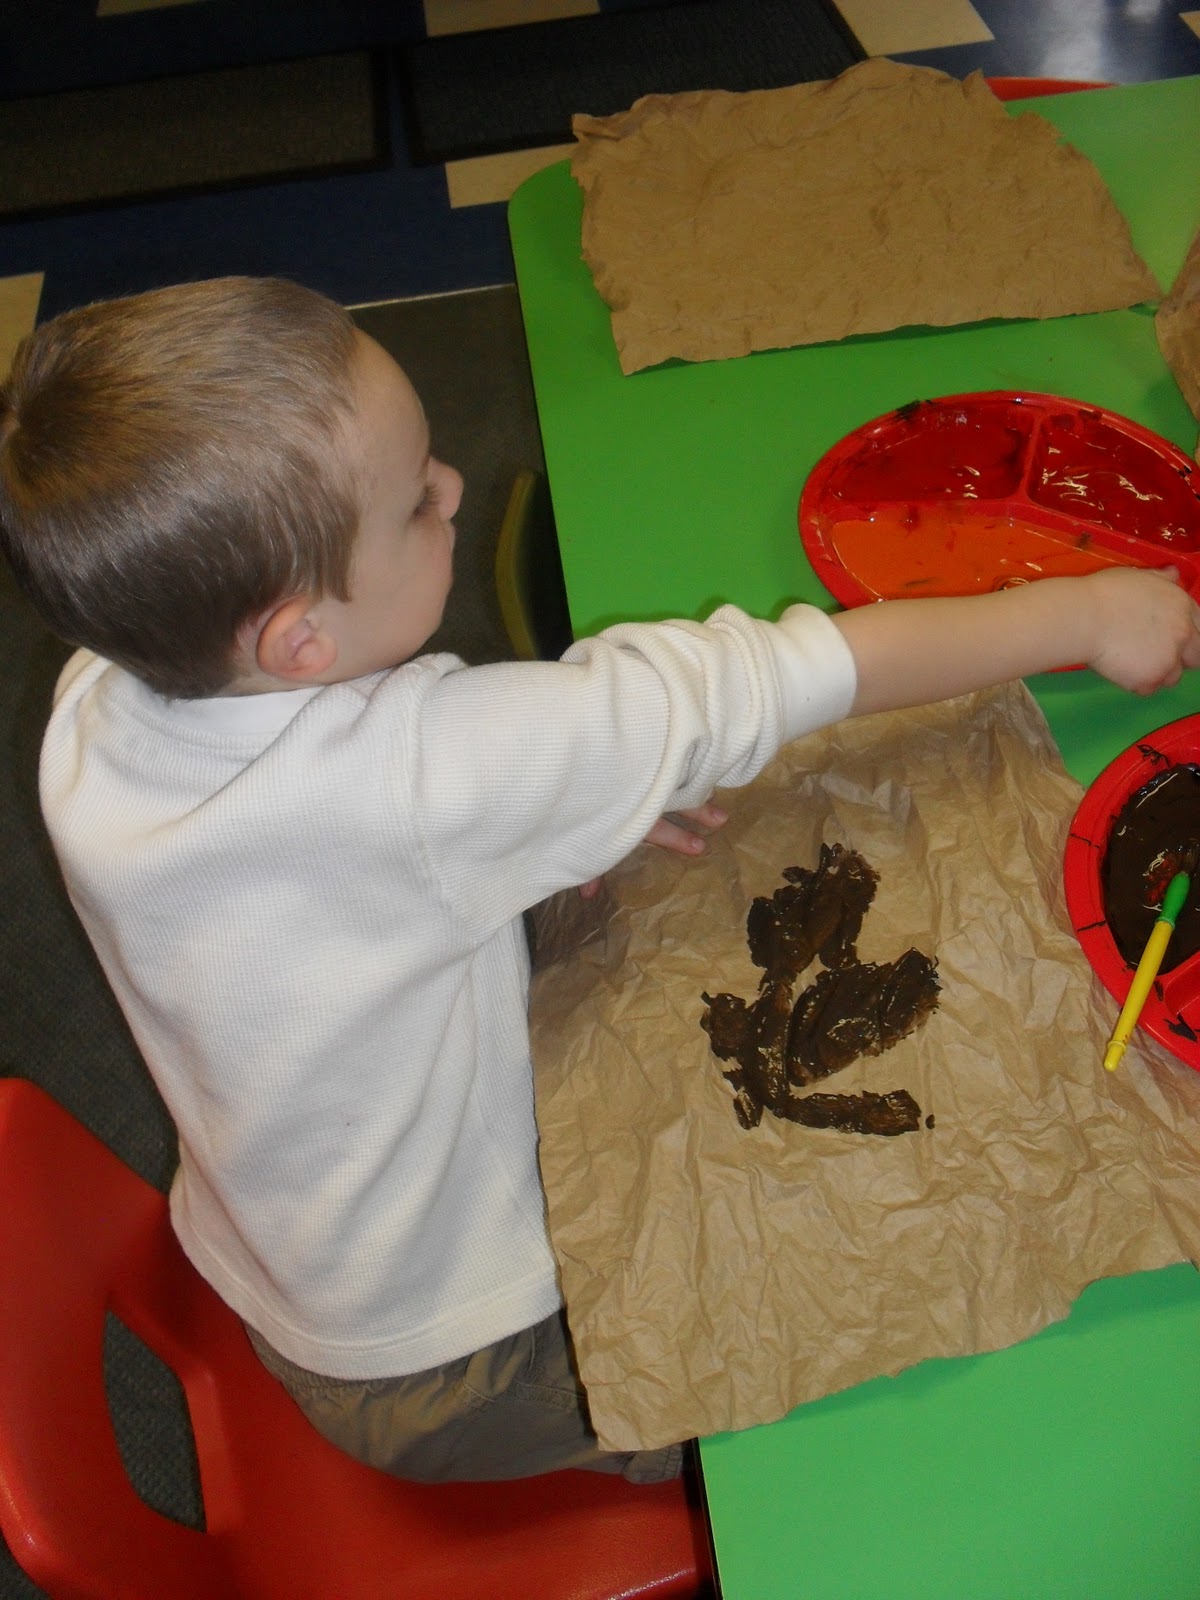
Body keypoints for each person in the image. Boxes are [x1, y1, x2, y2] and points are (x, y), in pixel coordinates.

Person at [2, 277, 1198, 1487]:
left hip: (287, 1246)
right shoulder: (423, 776)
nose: (454, 485)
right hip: (460, 1356)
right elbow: (794, 673)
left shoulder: (97, 698)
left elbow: (338, 876)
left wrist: (553, 805)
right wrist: (1088, 612)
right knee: (858, 1366)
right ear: (299, 640)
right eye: (416, 502)